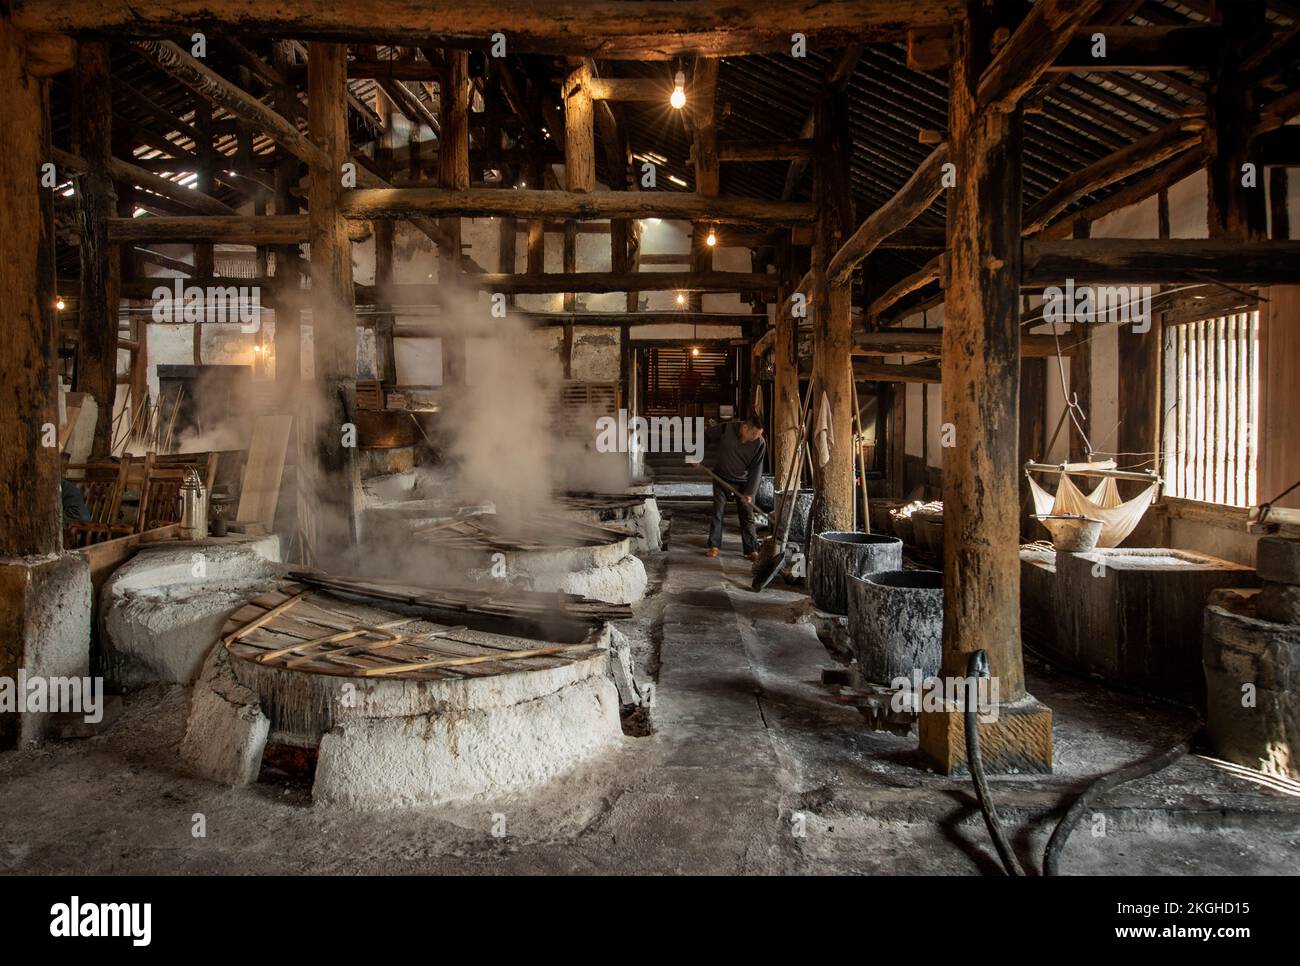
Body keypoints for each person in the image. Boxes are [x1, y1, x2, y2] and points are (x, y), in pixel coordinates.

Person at [703, 414, 765, 559]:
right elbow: (706, 436)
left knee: (747, 515)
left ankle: (751, 549)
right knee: (718, 512)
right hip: (721, 478)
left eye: (759, 435)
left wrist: (750, 493)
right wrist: (697, 455)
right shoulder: (726, 429)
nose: (756, 437)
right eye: (754, 434)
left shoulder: (759, 443)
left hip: (743, 483)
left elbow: (757, 469)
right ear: (744, 428)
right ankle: (714, 546)